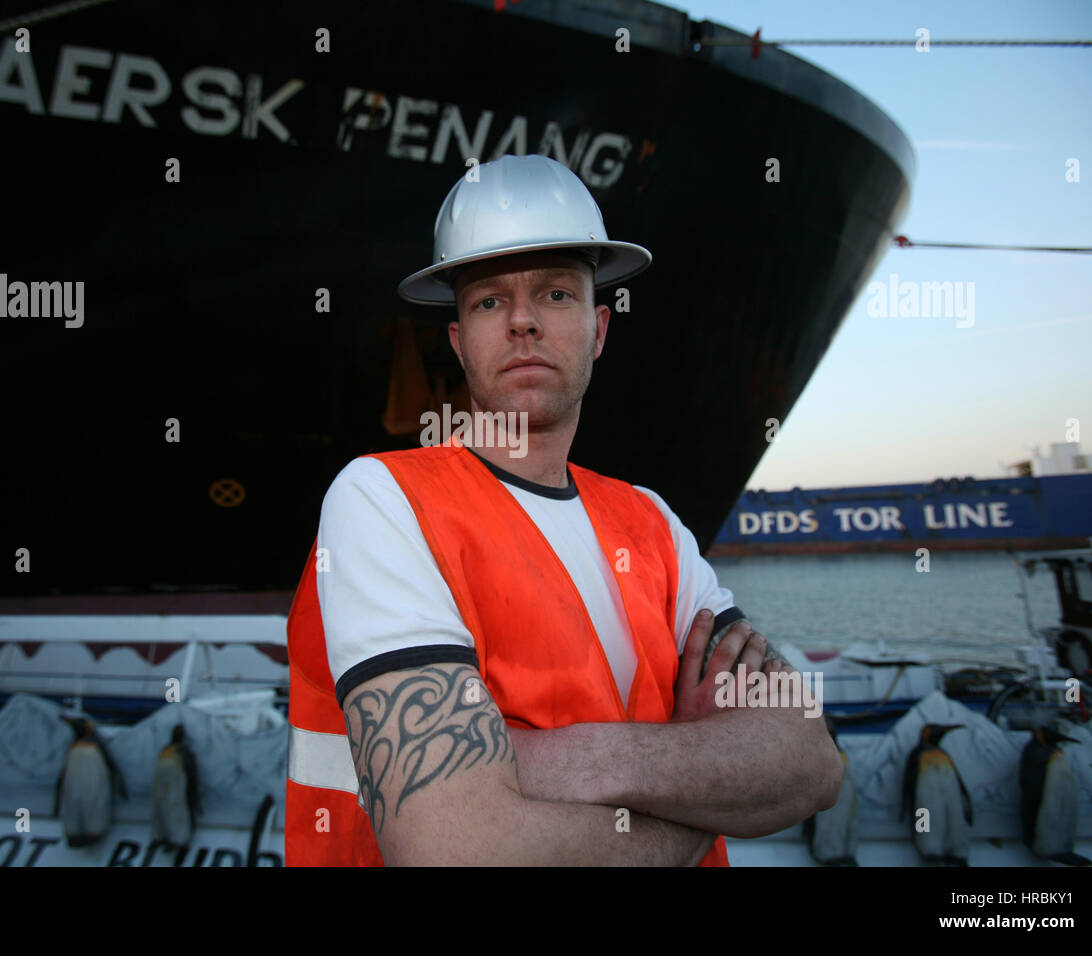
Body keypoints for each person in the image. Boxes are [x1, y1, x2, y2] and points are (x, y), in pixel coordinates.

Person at [284, 153, 843, 866]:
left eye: (554, 294)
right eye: (488, 301)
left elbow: (811, 759)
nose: (521, 321)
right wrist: (708, 776)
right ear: (459, 343)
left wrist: (539, 761)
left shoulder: (654, 527)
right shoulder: (384, 501)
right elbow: (457, 849)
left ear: (599, 328)